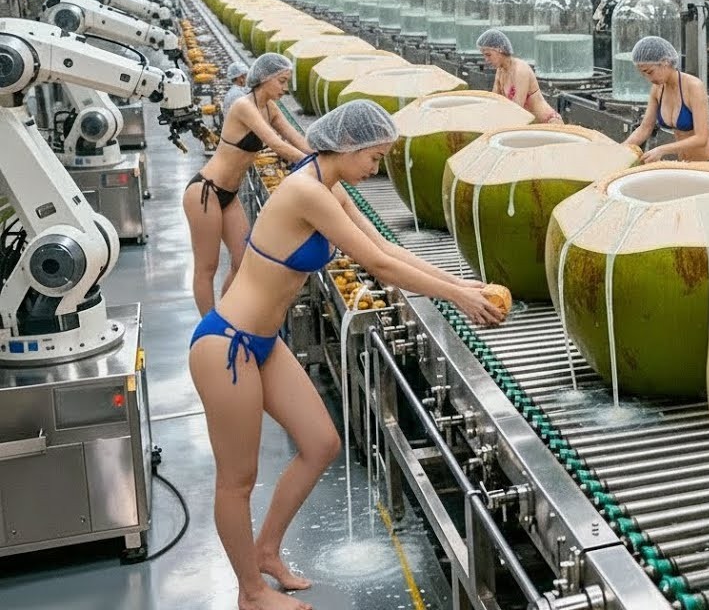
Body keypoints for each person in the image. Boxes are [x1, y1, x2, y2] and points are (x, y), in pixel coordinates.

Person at [188, 100, 504, 610]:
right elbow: (378, 264)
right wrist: (458, 299)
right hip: (228, 345)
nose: (376, 169)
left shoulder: (328, 185)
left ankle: (266, 550)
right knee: (237, 479)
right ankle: (250, 593)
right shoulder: (306, 191)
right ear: (349, 147)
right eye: (375, 158)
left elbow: (388, 248)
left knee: (320, 444)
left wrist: (461, 283)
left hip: (264, 344)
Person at [183, 53, 313, 316]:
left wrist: (319, 157)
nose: (285, 88)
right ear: (264, 79)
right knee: (207, 268)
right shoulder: (244, 106)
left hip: (229, 195)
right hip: (205, 192)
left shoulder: (270, 108)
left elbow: (293, 137)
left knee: (243, 262)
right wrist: (316, 167)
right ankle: (208, 331)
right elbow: (276, 143)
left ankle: (226, 316)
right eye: (282, 81)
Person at [623, 36, 709, 164]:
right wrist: (619, 150)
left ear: (665, 62)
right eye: (643, 74)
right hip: (687, 164)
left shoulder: (694, 86)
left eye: (650, 72)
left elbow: (702, 138)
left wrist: (661, 150)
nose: (648, 78)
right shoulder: (657, 89)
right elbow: (645, 128)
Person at [476, 29, 563, 123]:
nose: (486, 60)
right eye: (484, 56)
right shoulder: (500, 71)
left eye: (488, 55)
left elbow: (517, 110)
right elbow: (494, 101)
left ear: (500, 49)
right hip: (529, 127)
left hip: (549, 123)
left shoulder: (520, 70)